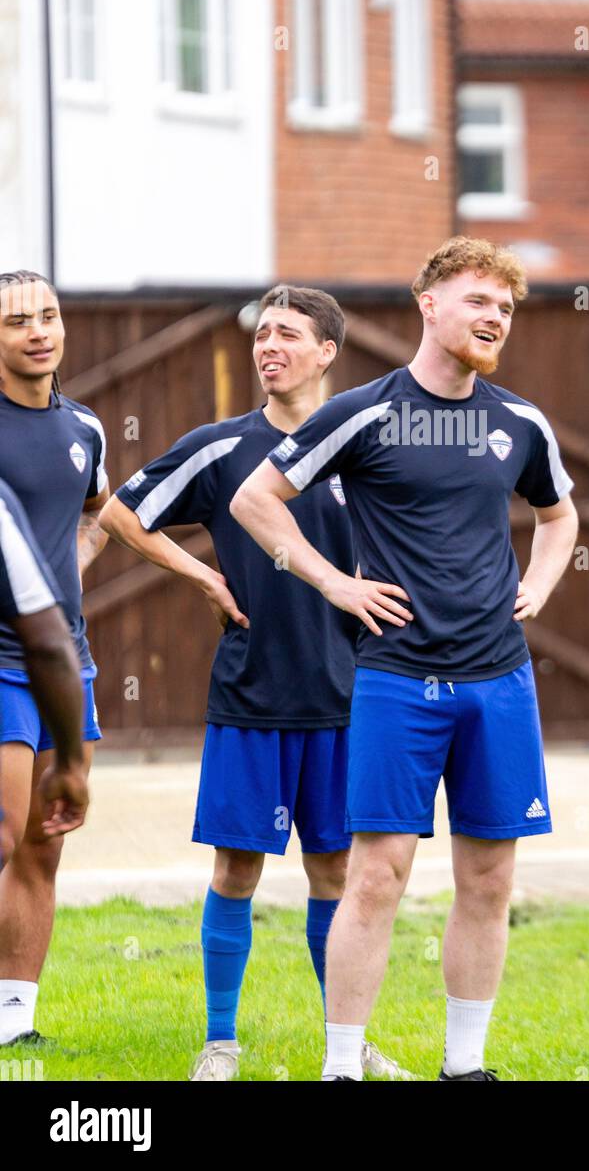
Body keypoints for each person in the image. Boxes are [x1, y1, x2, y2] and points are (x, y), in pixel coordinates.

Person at [231, 237, 579, 1082]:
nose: (494, 318)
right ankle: (342, 1069)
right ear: (430, 305)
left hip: (499, 681)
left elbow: (560, 516)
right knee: (378, 878)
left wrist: (538, 582)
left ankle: (466, 1066)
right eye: (478, 302)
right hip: (395, 683)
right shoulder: (363, 412)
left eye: (505, 308)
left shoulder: (518, 423)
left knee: (490, 880)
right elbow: (255, 500)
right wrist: (332, 583)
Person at [100, 285, 411, 1082]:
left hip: (350, 698)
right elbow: (122, 514)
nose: (269, 345)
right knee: (236, 869)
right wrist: (202, 576)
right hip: (250, 696)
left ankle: (347, 1045)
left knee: (336, 874)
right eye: (262, 334)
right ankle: (220, 1042)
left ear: (327, 354)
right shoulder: (221, 448)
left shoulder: (363, 446)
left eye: (288, 334)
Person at [0, 270, 108, 1047]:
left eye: (48, 316)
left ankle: (15, 1025)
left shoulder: (85, 430)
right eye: (16, 322)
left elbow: (98, 515)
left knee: (44, 844)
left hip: (68, 663)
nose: (37, 331)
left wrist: (56, 582)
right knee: (4, 834)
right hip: (3, 664)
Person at [0, 476, 90, 879]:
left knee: (35, 846)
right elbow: (50, 644)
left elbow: (102, 507)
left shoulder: (85, 431)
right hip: (13, 670)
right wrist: (70, 764)